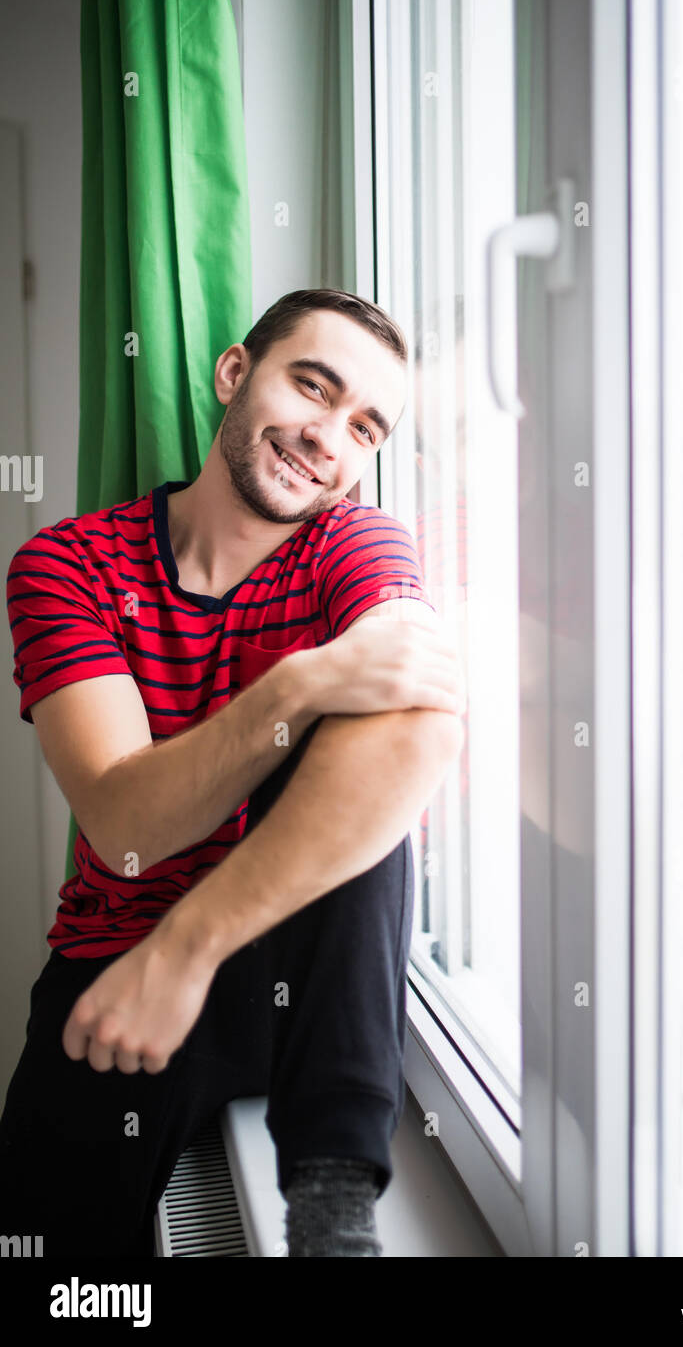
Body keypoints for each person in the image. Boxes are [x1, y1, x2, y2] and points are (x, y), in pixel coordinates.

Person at [0, 287, 465, 1258]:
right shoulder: (67, 563)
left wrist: (190, 947)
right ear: (232, 373)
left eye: (364, 425)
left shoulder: (357, 543)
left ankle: (332, 1200)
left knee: (374, 751)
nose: (327, 436)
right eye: (312, 386)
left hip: (279, 966)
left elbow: (419, 726)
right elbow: (124, 830)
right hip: (115, 962)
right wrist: (297, 684)